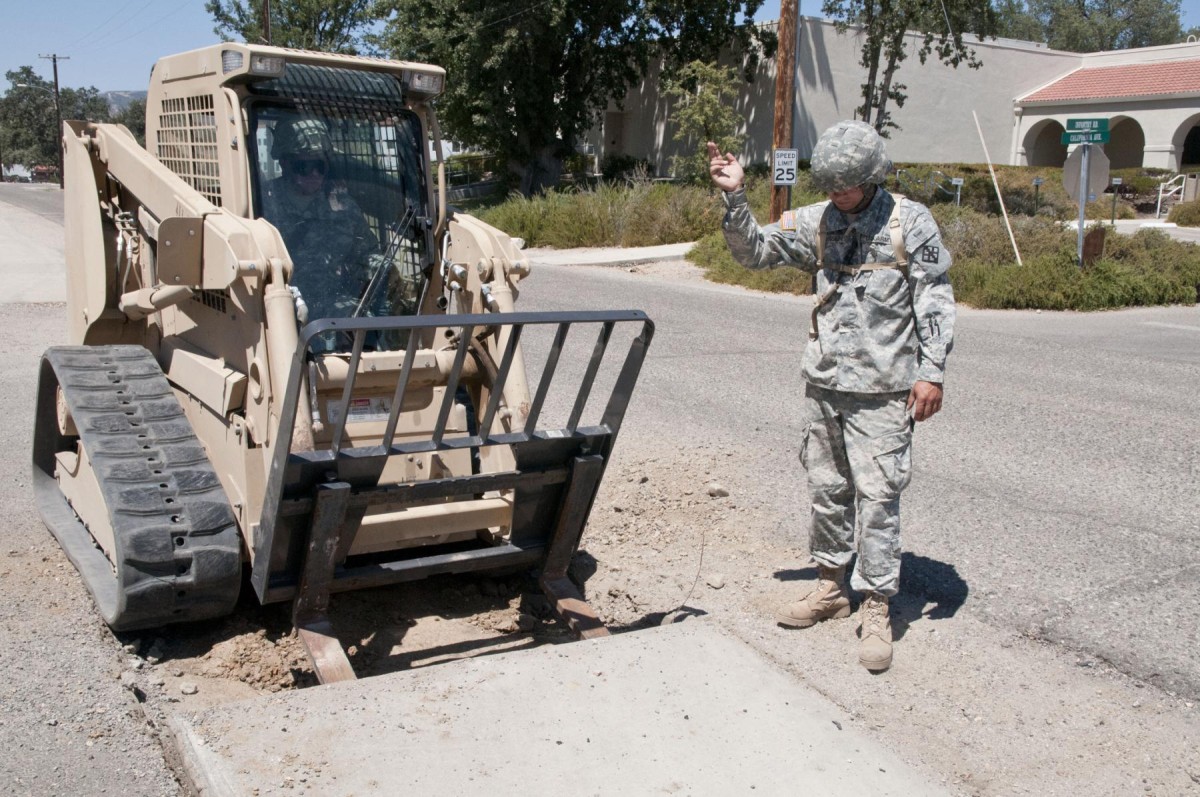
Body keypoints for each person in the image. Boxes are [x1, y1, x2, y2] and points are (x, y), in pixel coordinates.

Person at [707, 120, 955, 672]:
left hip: (884, 391)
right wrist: (734, 197)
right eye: (832, 188)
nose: (838, 197)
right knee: (827, 490)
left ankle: (875, 603)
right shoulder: (818, 220)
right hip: (825, 385)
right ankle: (830, 587)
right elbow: (755, 252)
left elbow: (935, 301)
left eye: (848, 188)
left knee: (878, 497)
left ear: (871, 178)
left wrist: (932, 372)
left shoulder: (908, 223)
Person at [260, 116, 378, 322]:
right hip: (279, 307)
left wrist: (382, 269)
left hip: (333, 304)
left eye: (320, 166)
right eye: (304, 166)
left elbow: (366, 253)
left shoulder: (342, 205)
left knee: (368, 328)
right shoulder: (262, 204)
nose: (314, 173)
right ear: (285, 163)